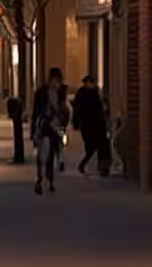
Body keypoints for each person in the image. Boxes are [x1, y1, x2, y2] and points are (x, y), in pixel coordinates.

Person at [31, 66, 69, 194]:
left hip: (54, 126)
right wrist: (33, 131)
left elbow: (64, 111)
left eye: (58, 80)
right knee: (42, 153)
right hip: (44, 125)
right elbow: (36, 112)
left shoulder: (60, 92)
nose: (56, 82)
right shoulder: (42, 92)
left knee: (51, 153)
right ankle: (40, 178)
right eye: (54, 79)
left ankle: (50, 178)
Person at [72, 75, 112, 176]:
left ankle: (101, 167)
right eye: (91, 83)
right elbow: (77, 109)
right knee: (92, 147)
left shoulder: (96, 92)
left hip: (98, 124)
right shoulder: (82, 93)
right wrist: (76, 123)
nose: (93, 85)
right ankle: (83, 165)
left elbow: (100, 107)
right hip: (88, 124)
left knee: (99, 146)